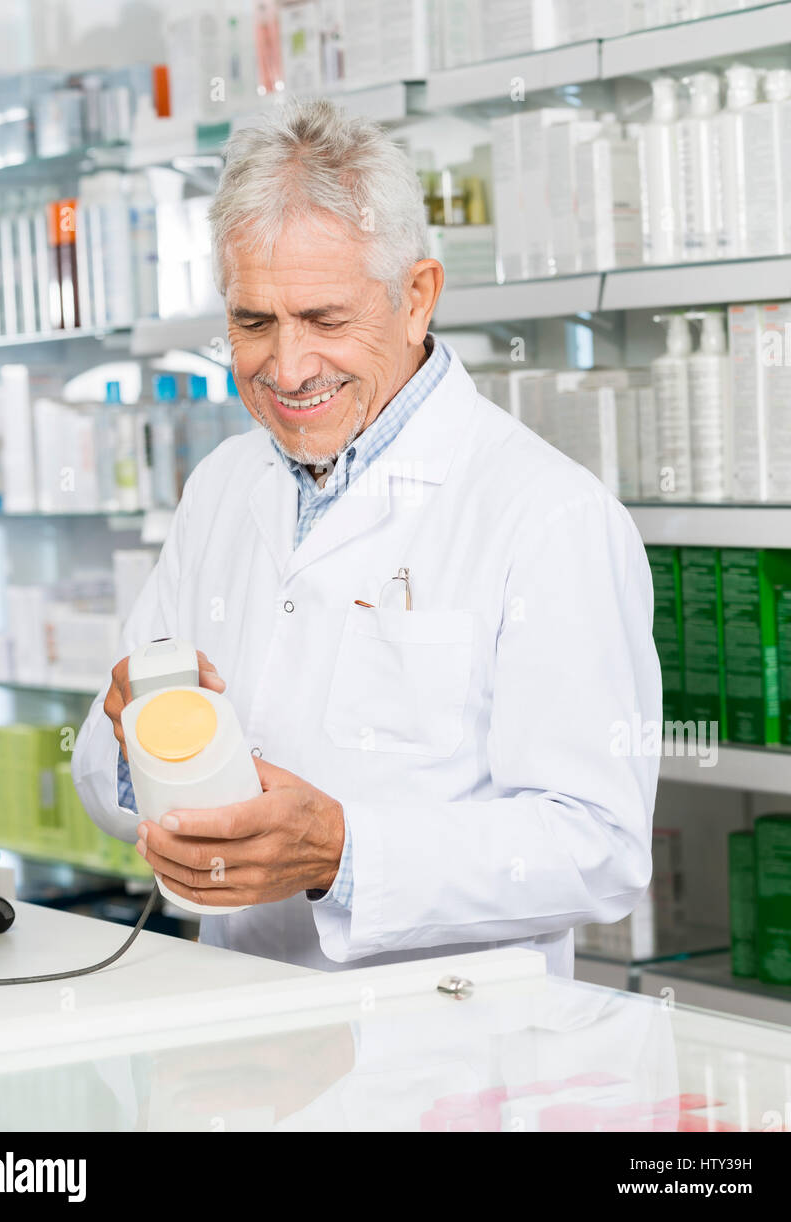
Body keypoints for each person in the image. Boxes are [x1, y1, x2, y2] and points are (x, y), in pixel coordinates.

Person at [72, 98, 661, 975]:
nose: (289, 367)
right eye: (254, 323)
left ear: (416, 297)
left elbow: (598, 848)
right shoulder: (224, 486)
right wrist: (145, 751)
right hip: (243, 1034)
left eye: (325, 319)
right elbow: (98, 761)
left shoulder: (546, 514)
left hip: (453, 1060)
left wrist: (344, 852)